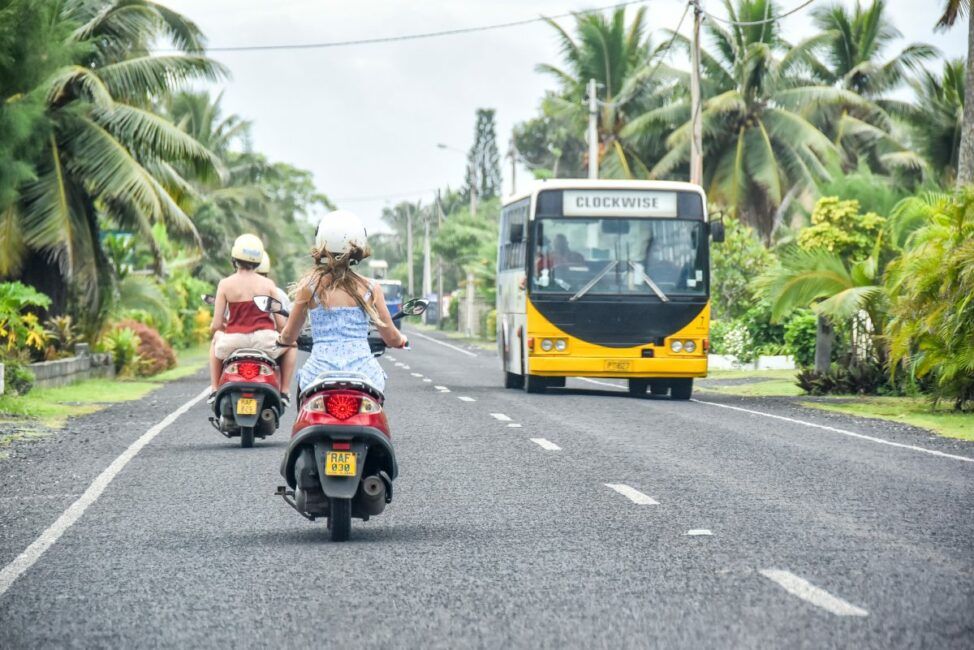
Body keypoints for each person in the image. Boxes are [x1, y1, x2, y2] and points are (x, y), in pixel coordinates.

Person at [276, 210, 406, 396]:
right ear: (359, 243)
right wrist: (400, 340)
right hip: (363, 373)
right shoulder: (370, 288)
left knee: (305, 415)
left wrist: (281, 339)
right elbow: (391, 337)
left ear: (321, 243)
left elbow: (289, 335)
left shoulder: (309, 287)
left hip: (319, 374)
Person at [208, 234, 296, 406]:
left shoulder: (225, 284)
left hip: (234, 341)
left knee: (215, 339)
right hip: (264, 341)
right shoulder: (268, 284)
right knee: (293, 345)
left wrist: (222, 328)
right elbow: (280, 325)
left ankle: (214, 389)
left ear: (234, 258)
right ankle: (284, 392)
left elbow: (217, 324)